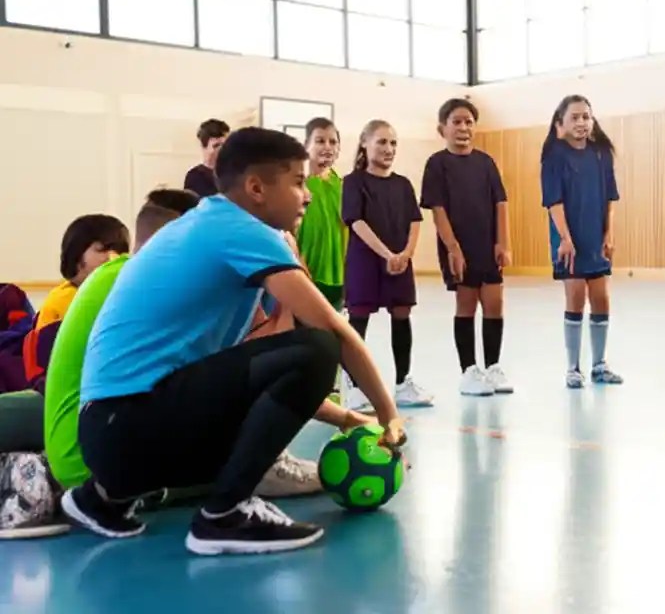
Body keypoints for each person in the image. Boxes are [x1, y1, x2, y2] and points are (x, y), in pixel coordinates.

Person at [61, 127, 406, 556]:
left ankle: (101, 501)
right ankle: (225, 515)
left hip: (113, 436)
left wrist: (354, 422)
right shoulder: (243, 230)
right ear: (257, 188)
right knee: (318, 348)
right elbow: (332, 333)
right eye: (298, 182)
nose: (309, 194)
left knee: (297, 355)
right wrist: (389, 417)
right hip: (126, 429)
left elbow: (264, 374)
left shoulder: (210, 223)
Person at [421, 99, 513, 397]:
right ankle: (469, 370)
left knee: (494, 303)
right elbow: (437, 208)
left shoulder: (486, 162)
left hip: (487, 244)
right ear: (442, 128)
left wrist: (503, 242)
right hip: (458, 246)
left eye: (468, 122)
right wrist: (453, 247)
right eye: (456, 122)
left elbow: (500, 202)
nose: (463, 128)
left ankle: (493, 366)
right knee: (466, 303)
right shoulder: (437, 163)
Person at [341, 119, 432, 410]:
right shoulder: (354, 182)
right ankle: (355, 387)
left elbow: (415, 221)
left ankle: (403, 383)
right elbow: (356, 221)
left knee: (402, 314)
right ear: (365, 144)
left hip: (398, 261)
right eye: (381, 142)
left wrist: (405, 254)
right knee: (358, 318)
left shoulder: (403, 184)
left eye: (393, 143)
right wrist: (386, 254)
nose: (389, 148)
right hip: (366, 261)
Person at [540, 95, 623, 389]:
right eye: (574, 117)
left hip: (595, 238)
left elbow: (611, 199)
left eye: (586, 117)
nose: (581, 123)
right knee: (575, 296)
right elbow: (553, 201)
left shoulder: (601, 154)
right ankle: (573, 368)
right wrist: (564, 238)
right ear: (560, 122)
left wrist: (608, 235)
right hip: (569, 240)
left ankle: (599, 365)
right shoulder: (554, 156)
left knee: (601, 298)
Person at [20, 215, 130, 393]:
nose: (113, 258)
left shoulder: (114, 294)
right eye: (102, 249)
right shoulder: (64, 300)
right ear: (77, 255)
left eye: (120, 251)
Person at [295, 117, 346, 311]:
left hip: (336, 276)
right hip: (304, 274)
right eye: (320, 141)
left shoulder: (341, 185)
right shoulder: (298, 184)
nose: (327, 146)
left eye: (333, 142)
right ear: (306, 144)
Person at [183, 119, 230, 198]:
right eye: (216, 145)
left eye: (225, 145)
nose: (222, 150)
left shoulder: (234, 174)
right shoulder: (194, 177)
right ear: (203, 147)